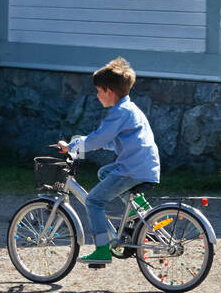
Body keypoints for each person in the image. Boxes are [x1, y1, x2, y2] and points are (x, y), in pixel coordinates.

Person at [57, 57, 160, 266]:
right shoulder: (130, 109)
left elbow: (100, 137)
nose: (96, 95)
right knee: (105, 173)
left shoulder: (119, 112)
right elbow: (113, 141)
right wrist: (91, 144)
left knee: (94, 201)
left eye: (98, 91)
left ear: (108, 91)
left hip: (132, 169)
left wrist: (73, 146)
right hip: (144, 165)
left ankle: (102, 249)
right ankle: (140, 215)